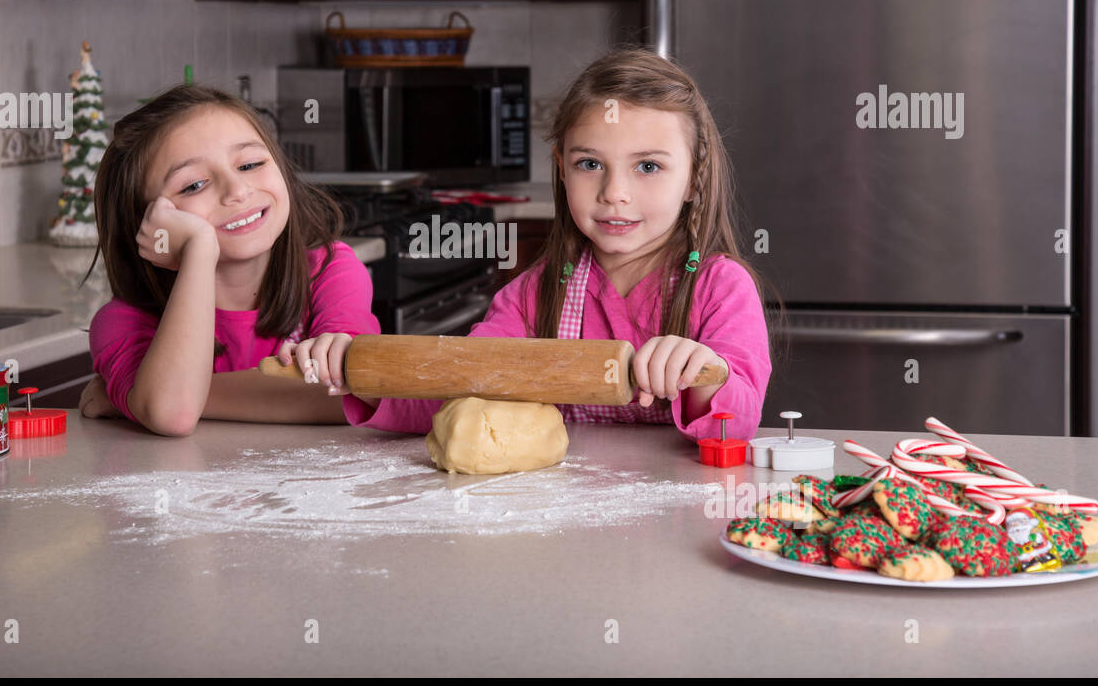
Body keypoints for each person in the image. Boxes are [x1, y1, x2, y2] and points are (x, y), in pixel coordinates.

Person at [282, 48, 772, 441]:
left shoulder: (720, 287)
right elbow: (456, 385)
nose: (614, 192)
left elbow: (740, 421)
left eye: (648, 166)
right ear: (561, 168)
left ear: (693, 179)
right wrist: (361, 371)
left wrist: (705, 375)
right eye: (589, 164)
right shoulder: (535, 294)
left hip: (673, 527)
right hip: (555, 517)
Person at [79, 84, 379, 435]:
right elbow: (172, 413)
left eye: (250, 164)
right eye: (193, 185)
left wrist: (137, 400)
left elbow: (355, 394)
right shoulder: (121, 322)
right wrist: (199, 249)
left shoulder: (330, 273)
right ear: (145, 222)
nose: (237, 191)